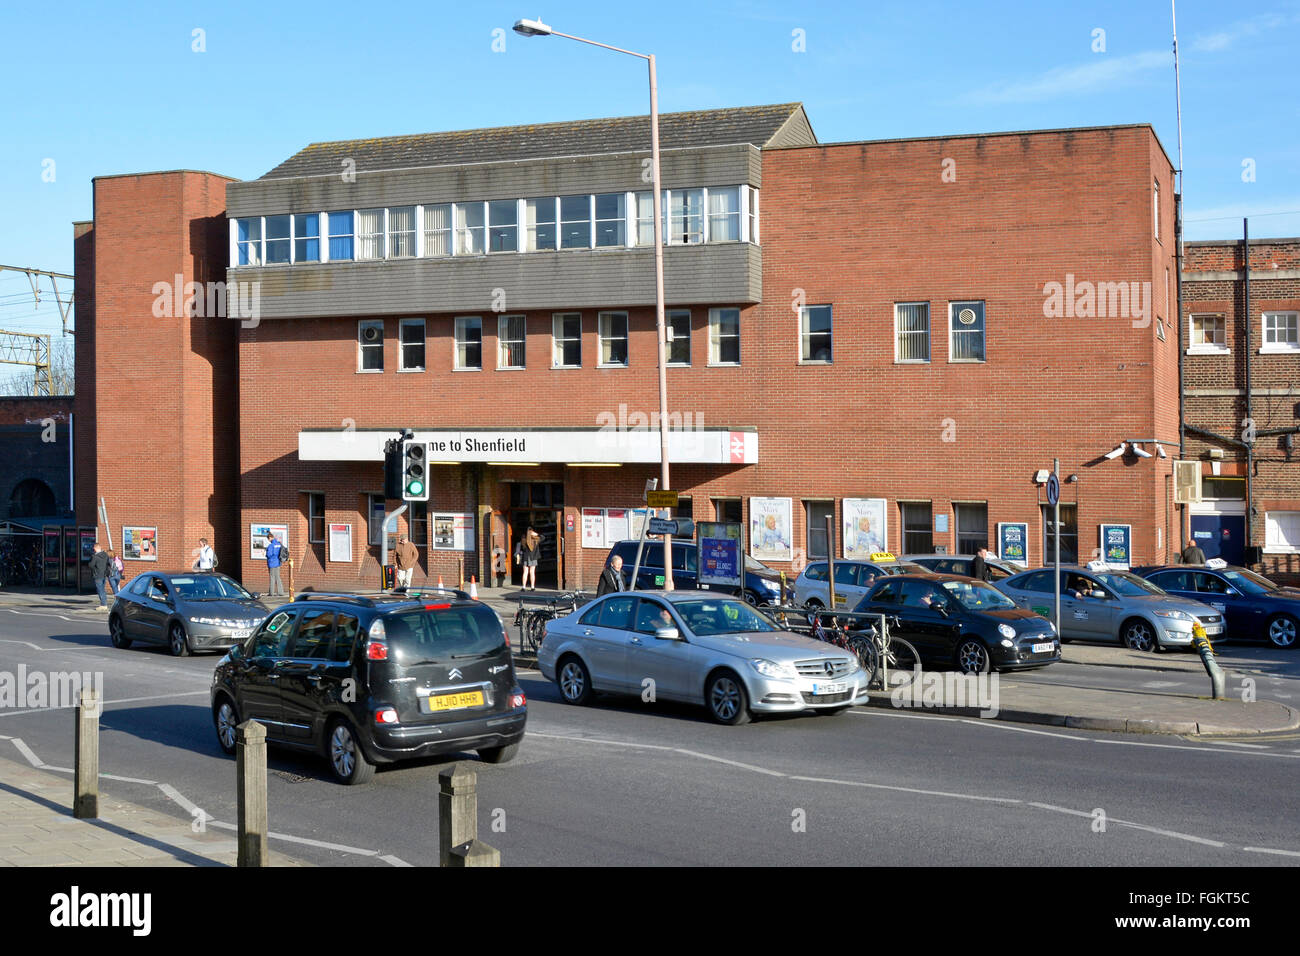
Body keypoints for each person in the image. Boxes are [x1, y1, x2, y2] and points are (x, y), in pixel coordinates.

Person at [89, 542, 112, 610]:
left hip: (97, 575)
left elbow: (91, 565)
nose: (93, 549)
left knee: (100, 590)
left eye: (94, 548)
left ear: (96, 548)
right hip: (104, 574)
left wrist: (89, 562)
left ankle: (103, 605)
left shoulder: (95, 556)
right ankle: (104, 604)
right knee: (102, 589)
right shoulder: (105, 555)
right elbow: (109, 564)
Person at [265, 532, 286, 596]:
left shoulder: (271, 545)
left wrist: (266, 553)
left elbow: (269, 555)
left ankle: (271, 593)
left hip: (272, 563)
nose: (268, 540)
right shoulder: (279, 544)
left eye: (268, 539)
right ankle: (281, 592)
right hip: (278, 562)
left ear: (270, 538)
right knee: (278, 577)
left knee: (272, 577)